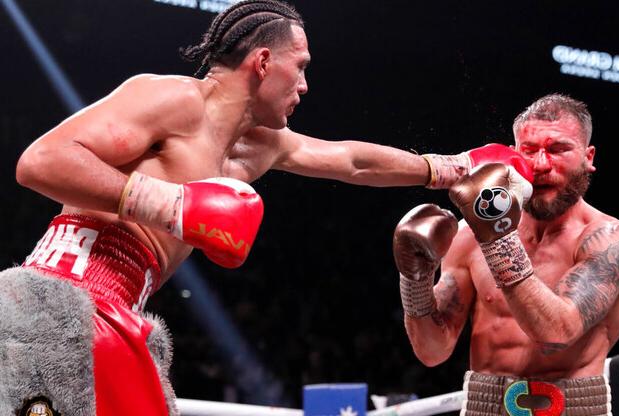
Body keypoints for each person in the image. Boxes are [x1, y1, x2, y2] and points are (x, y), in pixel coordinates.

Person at [1, 1, 521, 415]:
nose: (305, 85)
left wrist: (445, 165)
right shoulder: (174, 99)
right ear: (264, 62)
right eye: (301, 68)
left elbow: (350, 160)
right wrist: (168, 203)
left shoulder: (263, 145)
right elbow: (41, 161)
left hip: (124, 311)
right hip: (65, 293)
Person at [393, 94, 619, 416]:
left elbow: (557, 333)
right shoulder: (468, 237)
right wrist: (416, 278)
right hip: (484, 405)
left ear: (588, 156)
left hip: (573, 407)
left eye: (558, 149)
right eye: (529, 151)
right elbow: (432, 352)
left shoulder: (611, 241)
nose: (540, 165)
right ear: (512, 156)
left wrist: (496, 236)